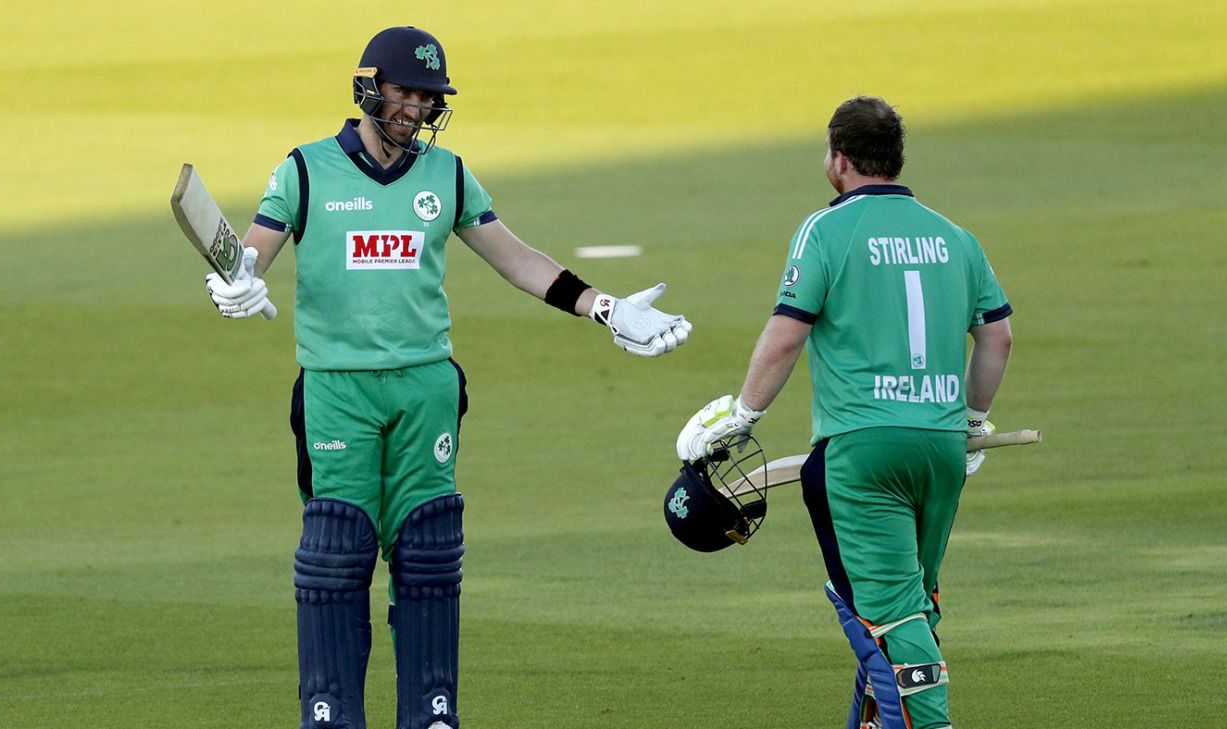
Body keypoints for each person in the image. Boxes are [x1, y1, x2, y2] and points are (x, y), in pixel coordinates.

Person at [202, 26, 692, 729]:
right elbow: (250, 255)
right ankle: (331, 712)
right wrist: (234, 284)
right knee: (338, 552)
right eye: (405, 92)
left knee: (428, 550)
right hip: (338, 389)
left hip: (426, 385)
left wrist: (604, 307)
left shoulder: (448, 174)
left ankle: (432, 713)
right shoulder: (304, 170)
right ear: (370, 87)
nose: (415, 109)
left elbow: (516, 257)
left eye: (428, 98)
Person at [675, 96, 1012, 729]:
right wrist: (970, 422)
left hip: (862, 451)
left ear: (840, 159)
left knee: (887, 614)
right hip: (939, 446)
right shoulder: (955, 236)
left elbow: (785, 335)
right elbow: (997, 337)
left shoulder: (826, 230)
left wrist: (739, 415)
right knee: (913, 600)